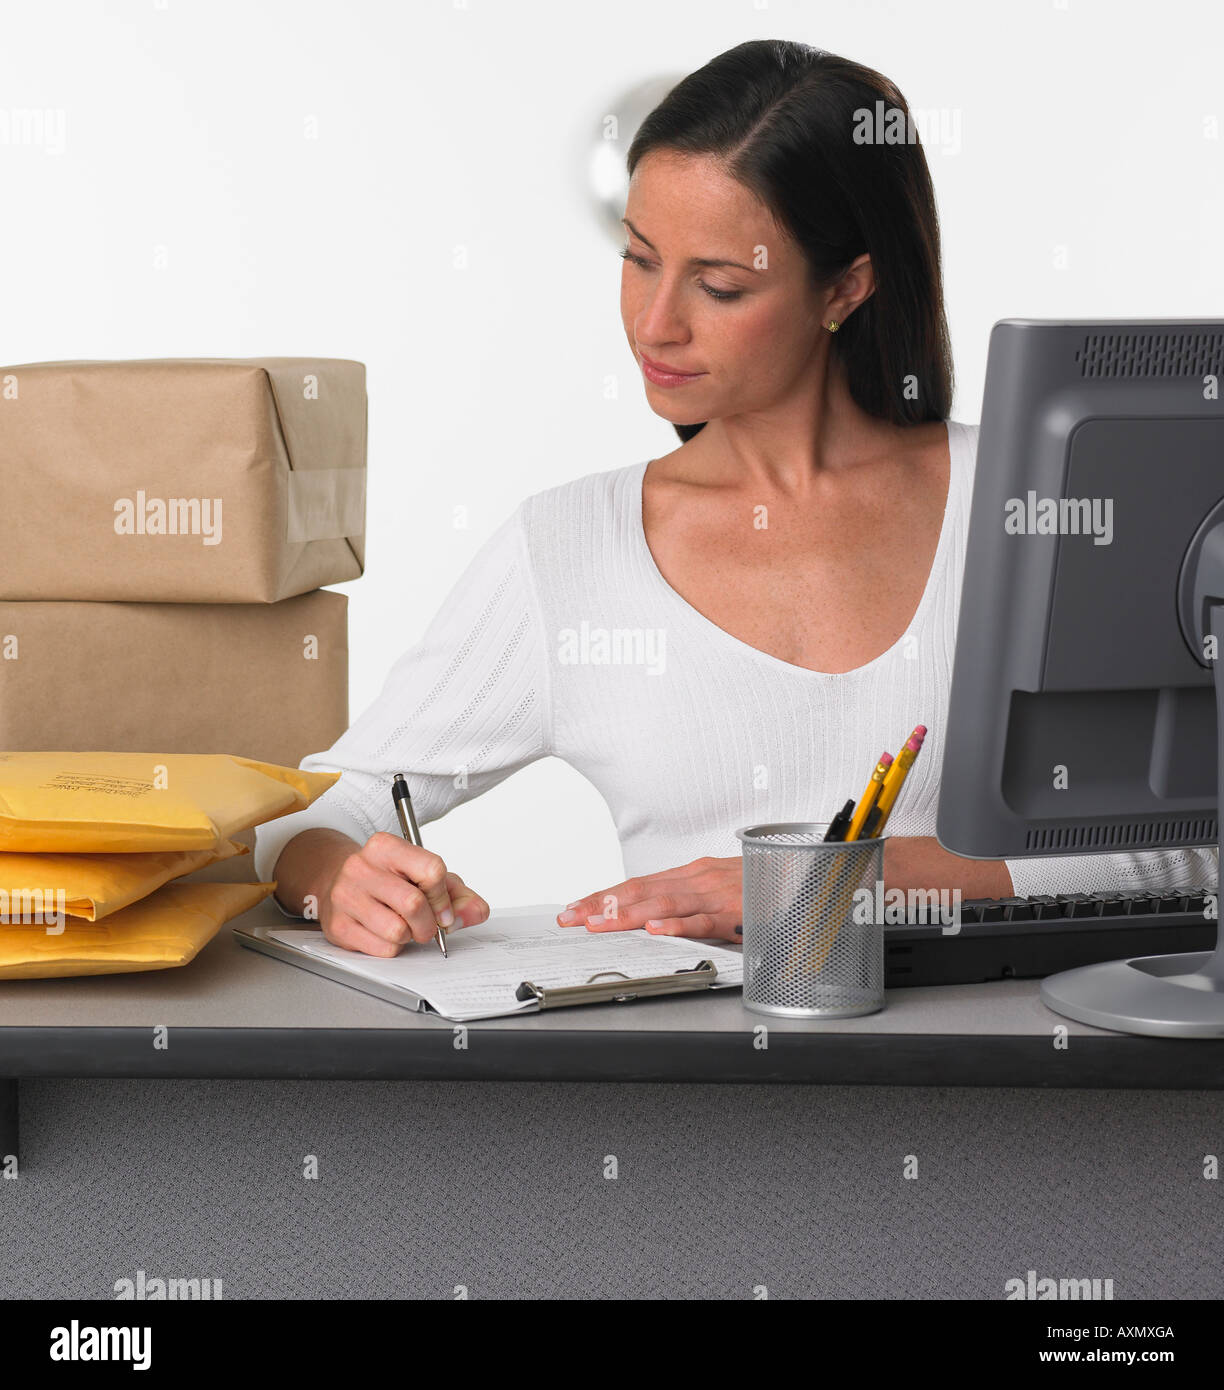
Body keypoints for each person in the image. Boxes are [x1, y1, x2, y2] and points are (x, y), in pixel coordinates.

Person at [254, 38, 1214, 957]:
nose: (654, 323)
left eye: (716, 285)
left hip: (1025, 1084)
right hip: (701, 1093)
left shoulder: (1035, 505)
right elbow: (314, 814)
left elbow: (1189, 851)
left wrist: (835, 883)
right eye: (637, 259)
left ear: (846, 288)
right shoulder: (568, 548)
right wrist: (337, 879)